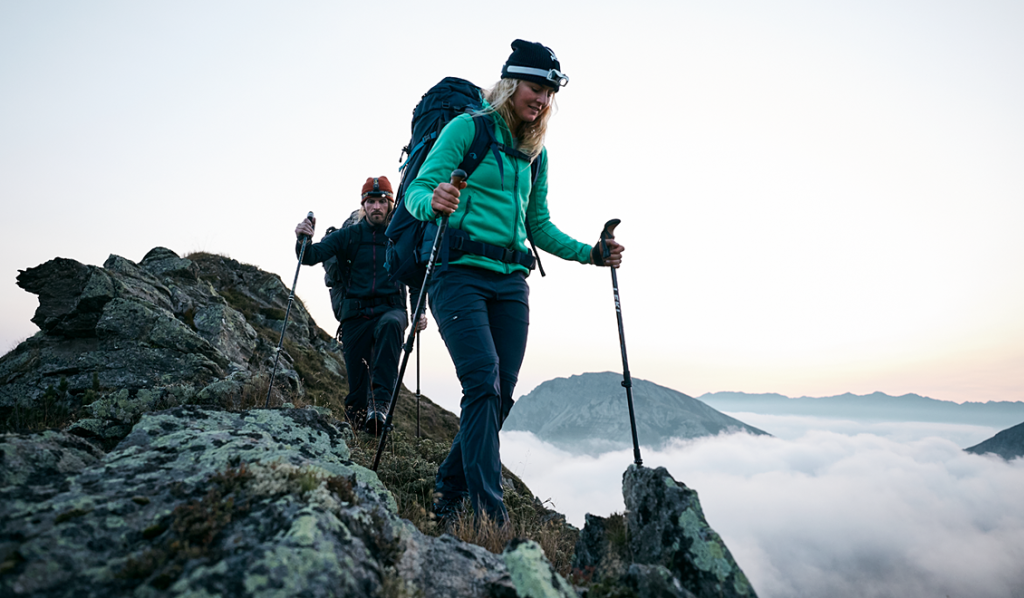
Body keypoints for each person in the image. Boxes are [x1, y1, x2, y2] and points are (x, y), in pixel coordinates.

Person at [404, 40, 624, 527]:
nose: (542, 99)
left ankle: (450, 484)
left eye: (549, 91)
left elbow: (538, 226)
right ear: (510, 85)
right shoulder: (469, 129)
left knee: (500, 393)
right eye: (534, 86)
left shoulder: (534, 154)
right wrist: (433, 199)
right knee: (482, 380)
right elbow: (420, 190)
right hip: (455, 273)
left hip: (511, 283)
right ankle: (490, 517)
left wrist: (591, 253)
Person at [294, 176, 426, 435]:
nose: (377, 207)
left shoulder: (399, 236)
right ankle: (356, 433)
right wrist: (302, 239)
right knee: (357, 388)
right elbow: (309, 256)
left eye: (382, 202)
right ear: (363, 205)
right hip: (355, 315)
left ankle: (380, 408)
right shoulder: (348, 236)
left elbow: (416, 278)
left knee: (390, 326)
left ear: (390, 204)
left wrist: (420, 311)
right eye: (371, 202)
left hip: (392, 310)